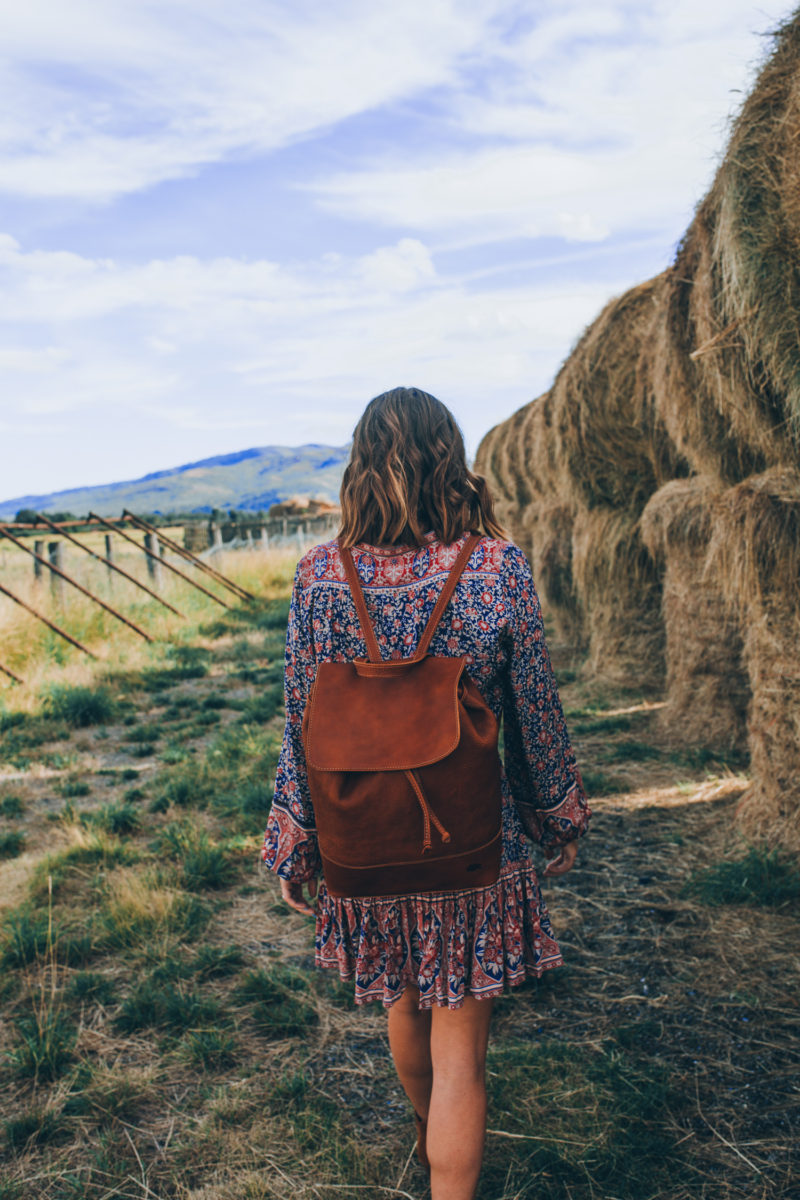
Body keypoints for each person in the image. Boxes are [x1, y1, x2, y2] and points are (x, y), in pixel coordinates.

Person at [261, 386, 592, 1200]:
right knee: (462, 1053)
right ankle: (451, 1168)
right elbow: (534, 708)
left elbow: (299, 716)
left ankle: (428, 1140)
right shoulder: (497, 565)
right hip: (471, 843)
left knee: (405, 1005)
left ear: (361, 466)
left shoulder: (318, 575)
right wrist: (557, 813)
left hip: (363, 842)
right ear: (454, 460)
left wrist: (295, 839)